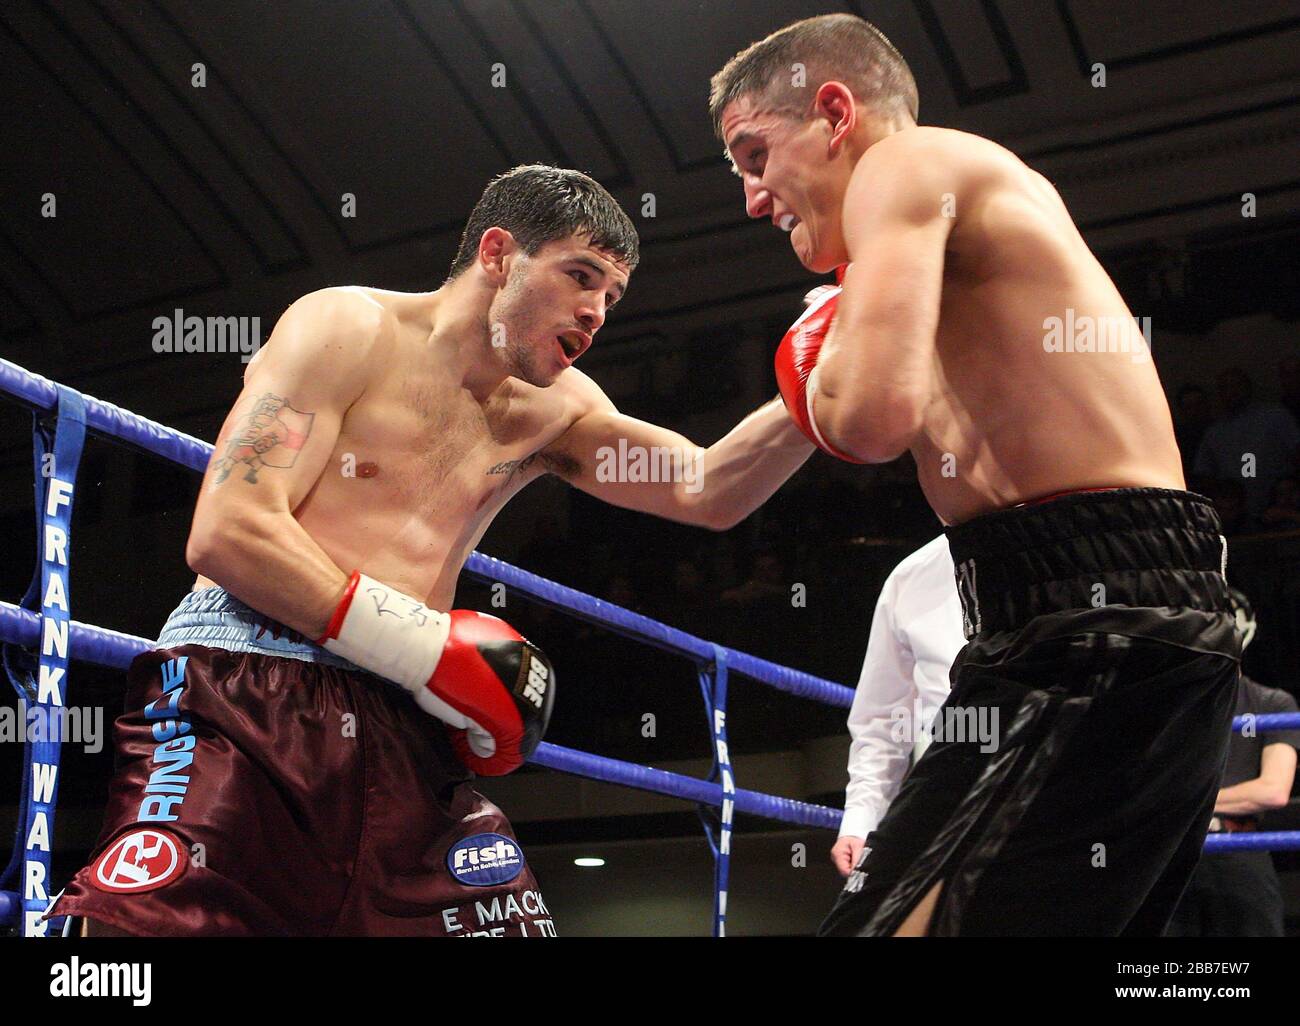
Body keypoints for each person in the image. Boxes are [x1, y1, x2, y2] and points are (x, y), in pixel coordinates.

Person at [46, 164, 815, 937]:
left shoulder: (557, 411)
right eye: (580, 276)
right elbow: (228, 531)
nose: (595, 310)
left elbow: (707, 485)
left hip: (404, 718)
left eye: (612, 297)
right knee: (131, 942)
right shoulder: (346, 327)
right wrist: (424, 647)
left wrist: (819, 375)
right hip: (245, 687)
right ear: (498, 253)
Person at [709, 13, 1241, 935]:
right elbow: (712, 487)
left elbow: (870, 422)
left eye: (755, 154)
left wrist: (811, 368)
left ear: (835, 112)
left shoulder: (900, 168)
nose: (754, 199)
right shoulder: (943, 228)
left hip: (1086, 617)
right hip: (1104, 609)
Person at [1165, 589, 1300, 936]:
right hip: (1172, 857)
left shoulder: (1271, 702)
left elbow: (1273, 792)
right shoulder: (1165, 708)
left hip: (1237, 855)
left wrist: (1183, 805)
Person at [831, 536, 965, 879]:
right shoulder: (911, 578)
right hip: (952, 799)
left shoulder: (1071, 550)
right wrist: (861, 820)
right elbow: (883, 719)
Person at [1193, 367, 1300, 522]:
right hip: (1234, 515)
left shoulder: (1276, 417)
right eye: (1225, 387)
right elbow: (1205, 475)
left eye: (1236, 385)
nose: (1231, 392)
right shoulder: (1214, 433)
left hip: (1279, 507)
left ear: (1247, 387)